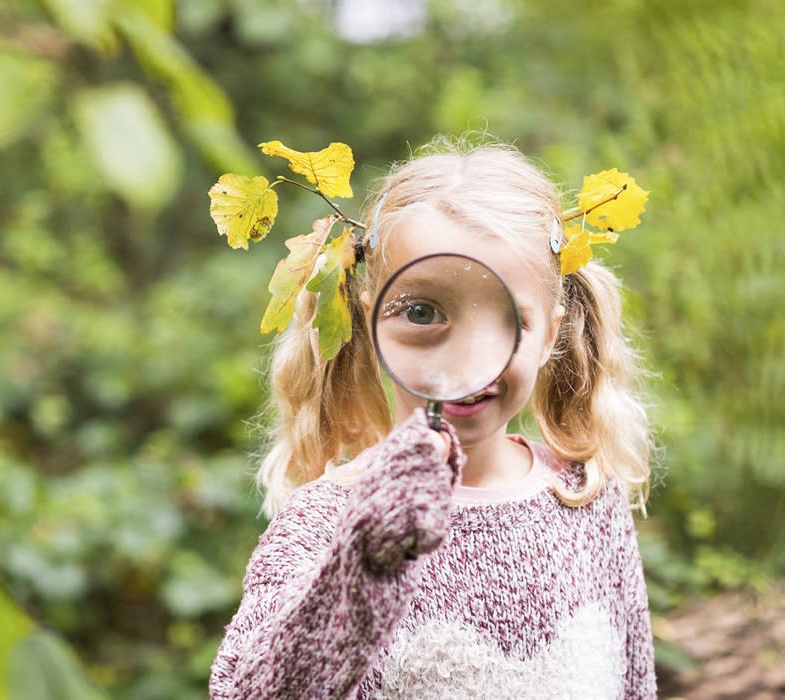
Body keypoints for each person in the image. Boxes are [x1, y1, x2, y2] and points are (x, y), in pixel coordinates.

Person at [209, 140, 657, 699]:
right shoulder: (327, 523)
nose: (465, 364)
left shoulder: (587, 498)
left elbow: (636, 685)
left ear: (550, 336)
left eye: (506, 320)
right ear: (367, 318)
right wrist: (362, 564)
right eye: (421, 312)